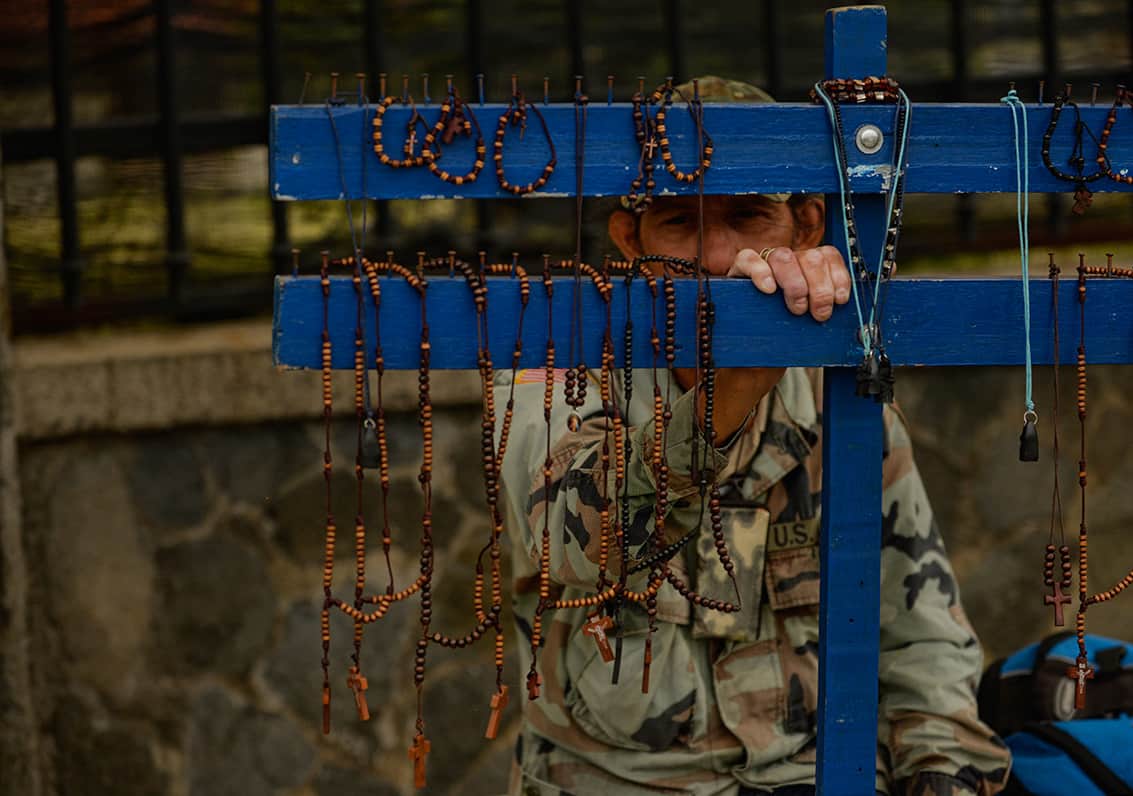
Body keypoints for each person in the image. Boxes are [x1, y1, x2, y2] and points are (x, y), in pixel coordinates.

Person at [496, 77, 1011, 796]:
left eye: (749, 216)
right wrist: (730, 390)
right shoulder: (557, 374)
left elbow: (922, 643)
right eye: (679, 221)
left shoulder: (843, 401)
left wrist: (942, 777)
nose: (717, 258)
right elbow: (574, 543)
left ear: (805, 227)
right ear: (628, 241)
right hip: (618, 781)